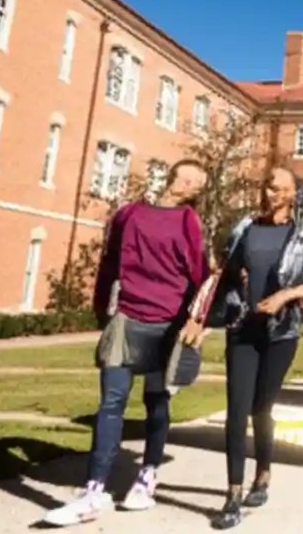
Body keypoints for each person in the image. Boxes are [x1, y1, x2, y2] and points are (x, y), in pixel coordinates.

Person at [43, 160, 209, 527]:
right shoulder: (129, 214)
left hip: (168, 324)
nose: (191, 183)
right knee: (111, 403)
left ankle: (147, 475)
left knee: (156, 402)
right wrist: (102, 307)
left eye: (198, 182)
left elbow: (200, 275)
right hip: (127, 317)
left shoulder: (188, 221)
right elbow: (110, 262)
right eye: (188, 175)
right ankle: (93, 490)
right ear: (172, 175)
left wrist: (196, 321)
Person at [210, 167, 303, 530]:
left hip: (281, 333)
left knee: (261, 408)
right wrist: (232, 276)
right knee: (237, 409)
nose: (269, 192)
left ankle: (263, 473)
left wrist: (284, 296)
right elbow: (223, 270)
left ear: (292, 194)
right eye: (267, 186)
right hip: (242, 328)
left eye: (278, 188)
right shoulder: (243, 229)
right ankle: (232, 494)